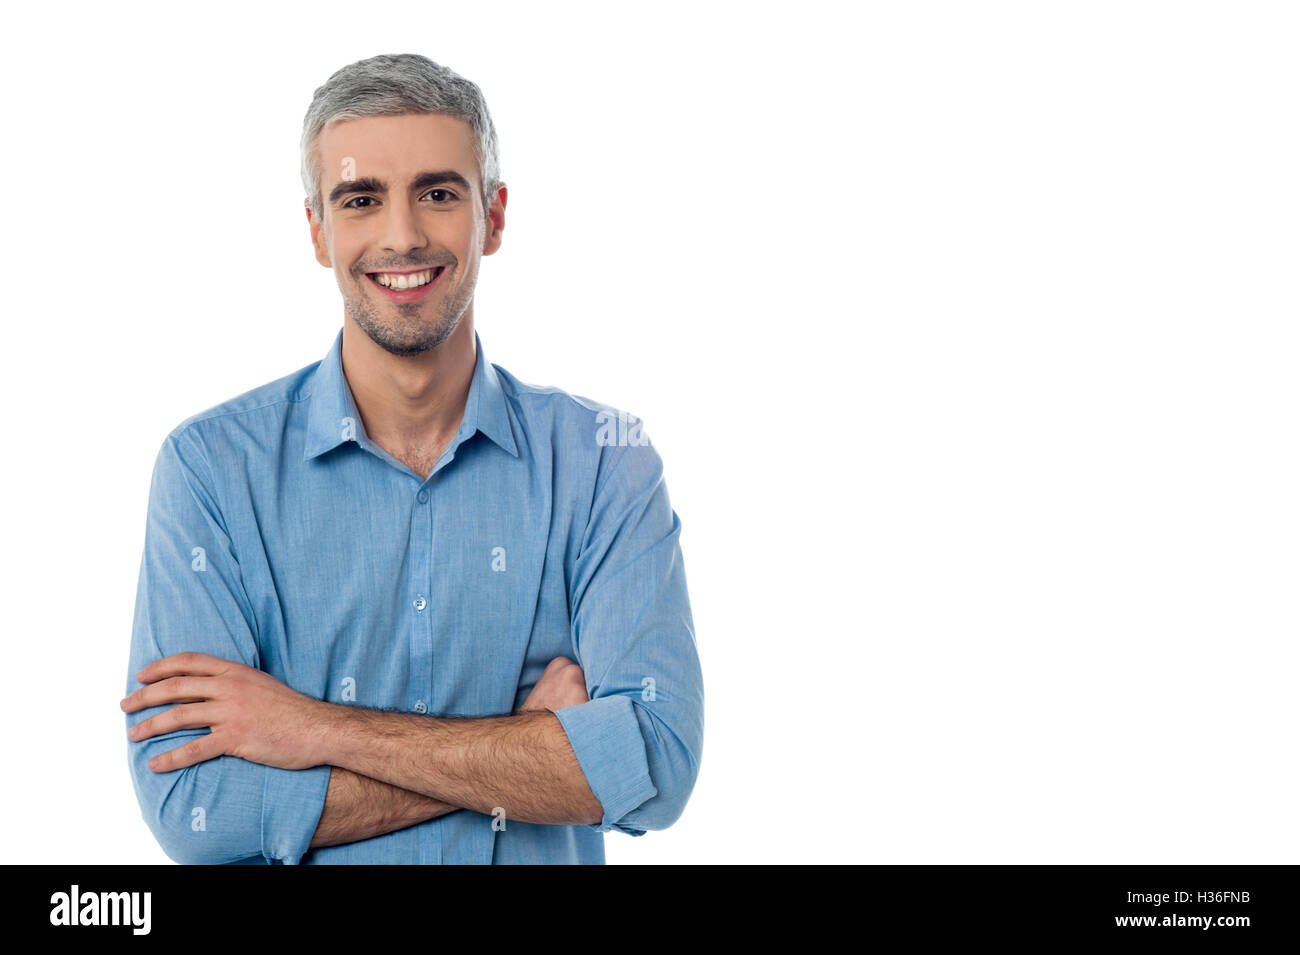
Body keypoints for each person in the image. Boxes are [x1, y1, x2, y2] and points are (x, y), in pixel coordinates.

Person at [121, 53, 704, 865]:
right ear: (318, 231)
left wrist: (314, 728)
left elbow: (657, 760)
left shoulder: (605, 463)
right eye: (361, 199)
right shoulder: (210, 470)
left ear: (493, 217)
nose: (401, 236)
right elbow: (197, 808)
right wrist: (530, 746)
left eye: (438, 192)